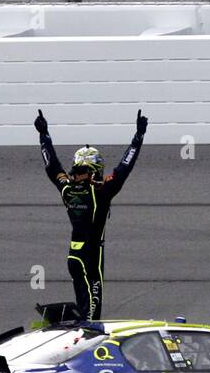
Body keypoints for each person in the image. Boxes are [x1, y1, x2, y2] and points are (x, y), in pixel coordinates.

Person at [34, 107, 148, 323]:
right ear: (96, 170)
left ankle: (75, 325)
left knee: (83, 304)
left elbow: (51, 165)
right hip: (91, 259)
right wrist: (138, 138)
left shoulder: (66, 187)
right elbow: (125, 166)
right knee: (92, 320)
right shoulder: (102, 191)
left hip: (73, 256)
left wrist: (43, 136)